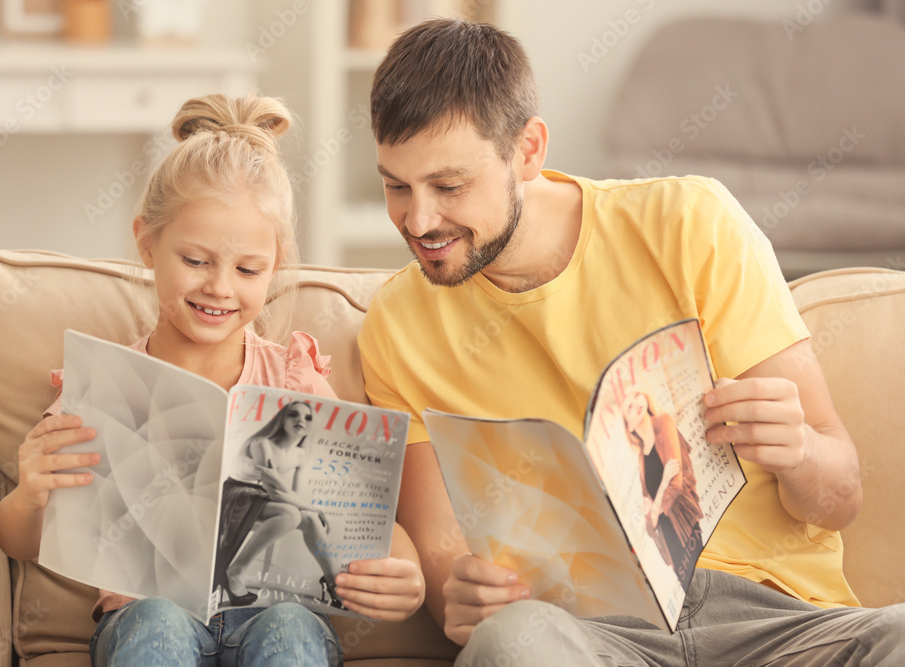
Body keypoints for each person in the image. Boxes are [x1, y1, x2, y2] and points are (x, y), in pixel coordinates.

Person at [357, 17, 904, 666]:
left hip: (772, 618)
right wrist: (466, 596)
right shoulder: (396, 324)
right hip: (592, 633)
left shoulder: (690, 226)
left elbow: (841, 495)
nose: (419, 220)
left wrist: (801, 451)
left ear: (528, 150)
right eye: (396, 186)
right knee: (512, 642)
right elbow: (444, 563)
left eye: (448, 186)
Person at [0, 93, 424, 667]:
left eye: (248, 270)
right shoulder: (106, 385)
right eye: (196, 260)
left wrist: (408, 575)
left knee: (292, 629)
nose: (221, 287)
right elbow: (19, 542)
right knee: (154, 624)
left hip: (276, 613)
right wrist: (30, 494)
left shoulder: (294, 383)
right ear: (147, 244)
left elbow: (367, 520)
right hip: (147, 608)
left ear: (273, 267)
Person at [215, 400, 343, 610]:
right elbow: (274, 489)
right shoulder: (262, 444)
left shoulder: (300, 455)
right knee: (292, 514)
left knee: (307, 517)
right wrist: (315, 508)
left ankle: (333, 582)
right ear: (282, 419)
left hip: (264, 498)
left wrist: (310, 511)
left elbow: (293, 495)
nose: (301, 420)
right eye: (294, 414)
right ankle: (236, 570)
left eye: (307, 417)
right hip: (238, 494)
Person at [622, 391, 703, 588]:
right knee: (686, 587)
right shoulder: (641, 458)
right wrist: (660, 493)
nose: (635, 403)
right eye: (629, 408)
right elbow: (650, 526)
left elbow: (676, 483)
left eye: (635, 397)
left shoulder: (664, 422)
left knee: (701, 578)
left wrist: (655, 508)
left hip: (684, 523)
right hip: (668, 539)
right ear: (629, 427)